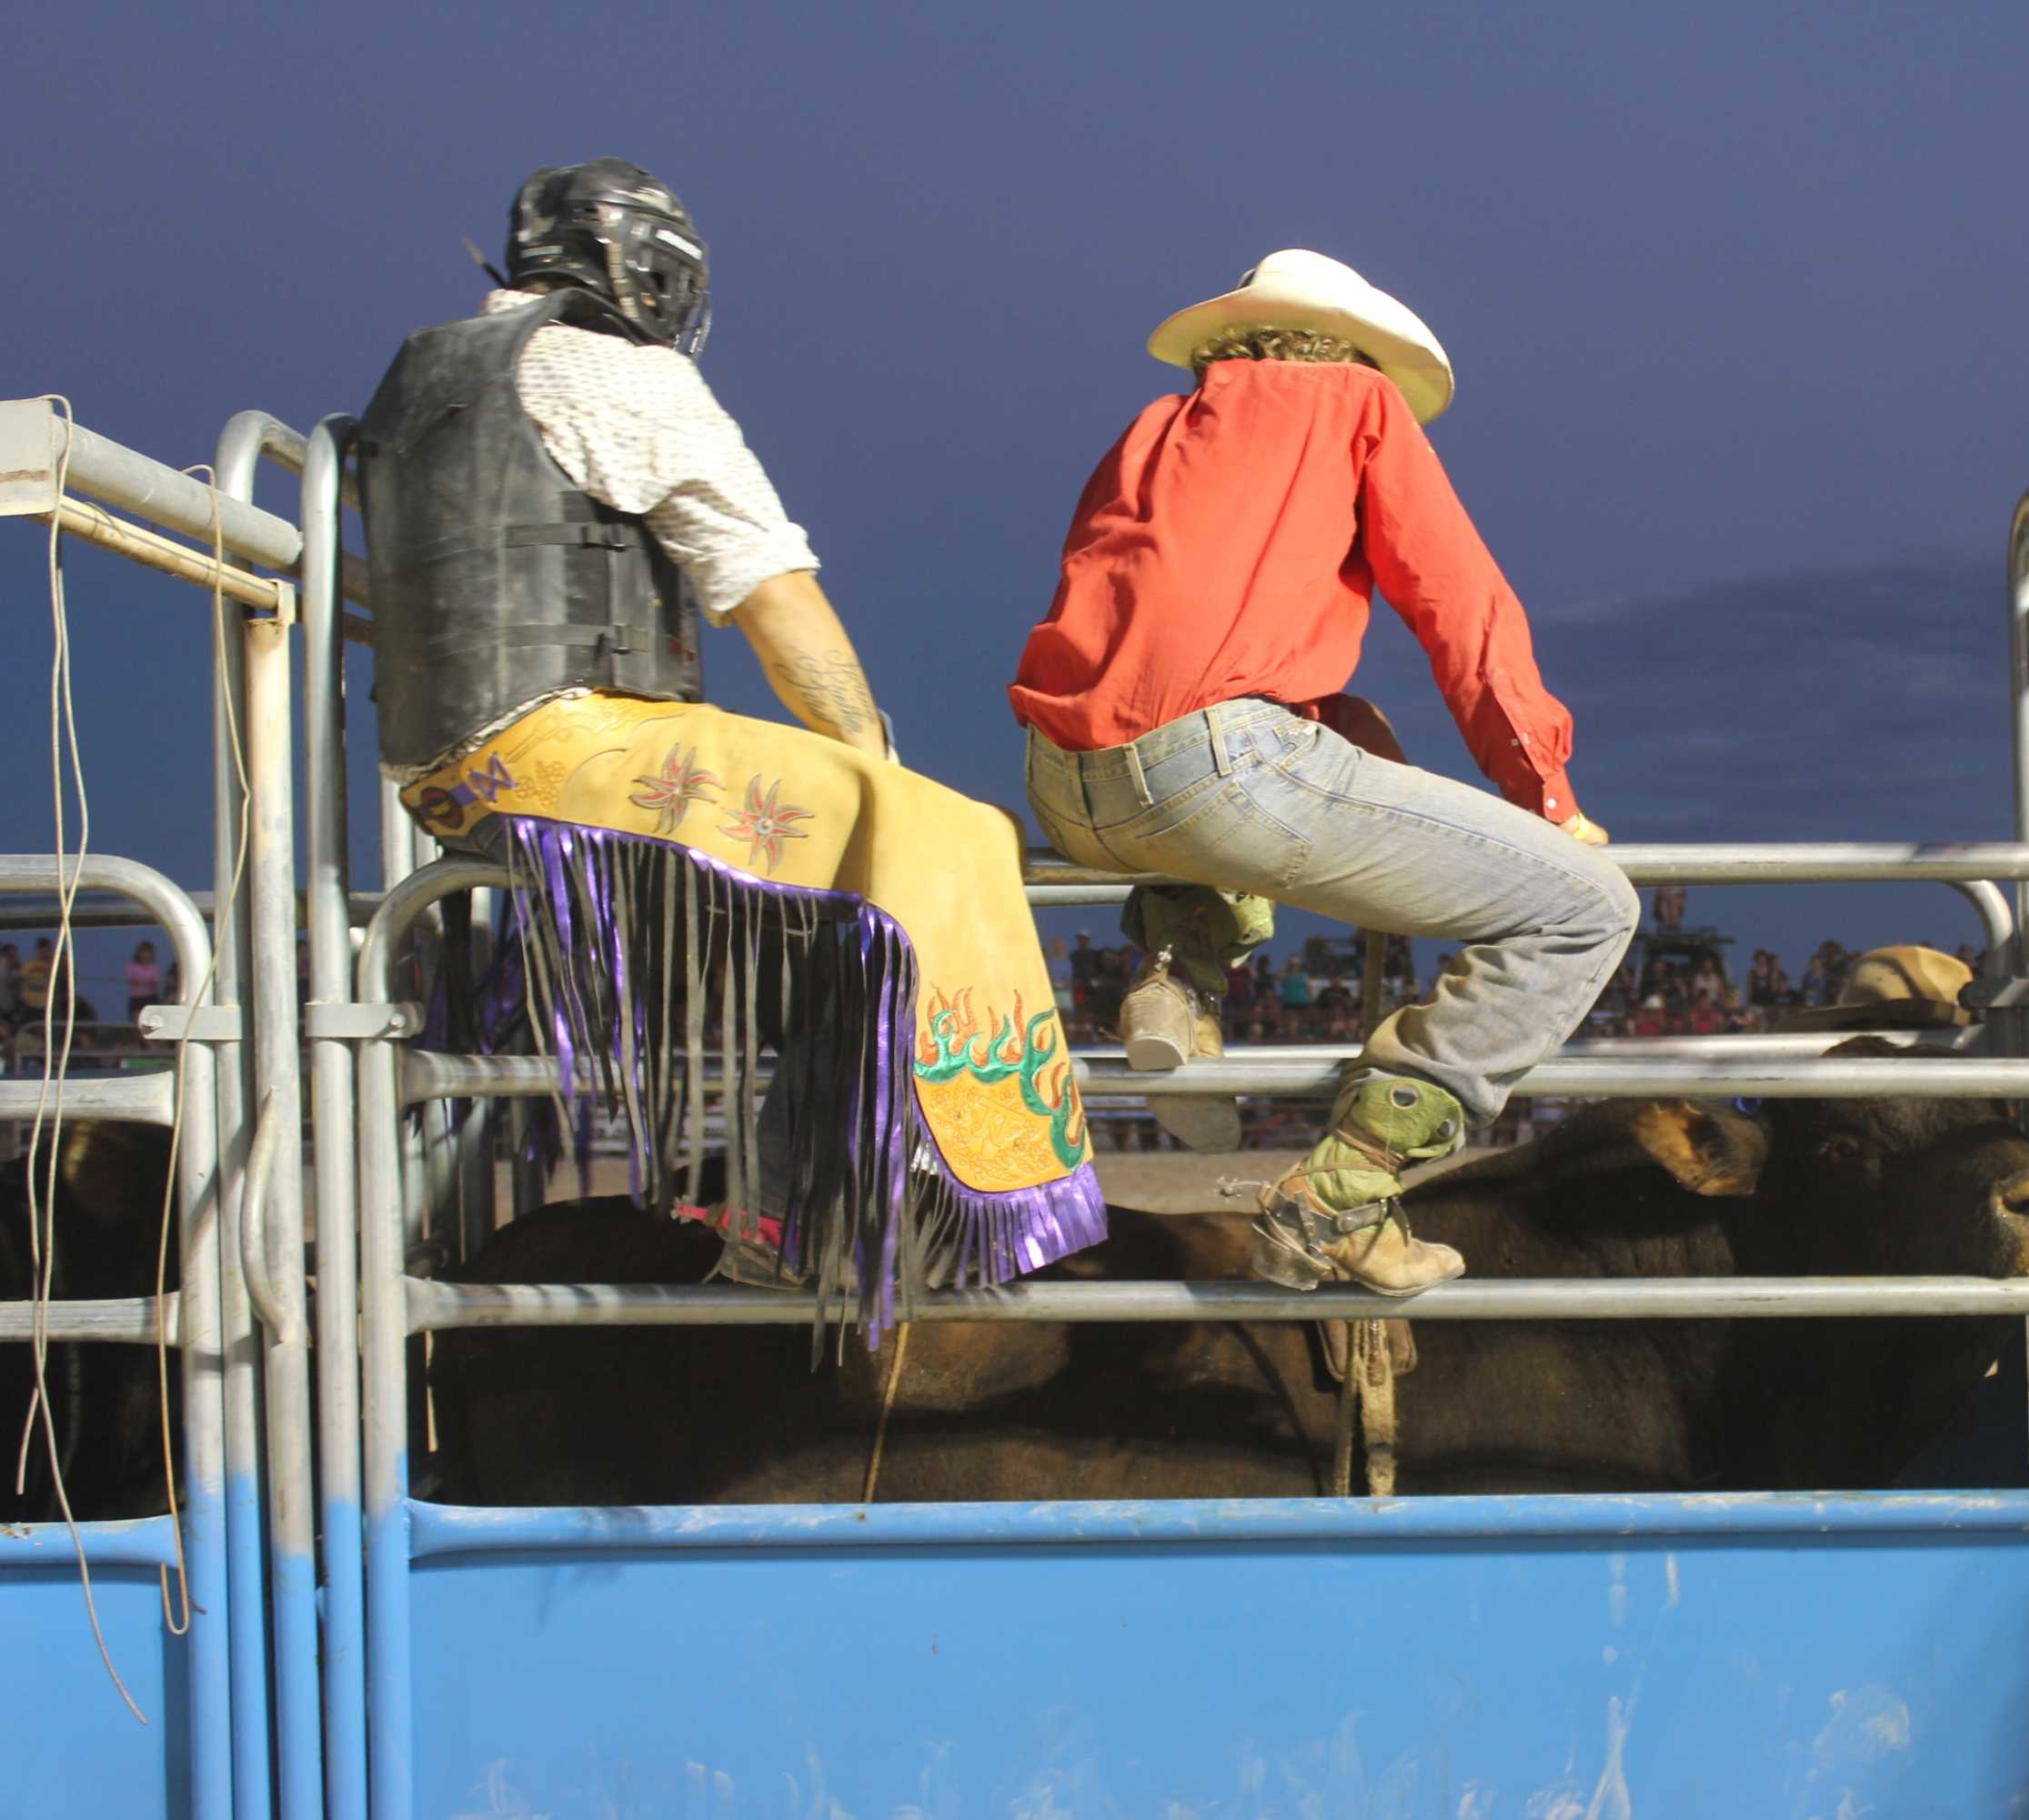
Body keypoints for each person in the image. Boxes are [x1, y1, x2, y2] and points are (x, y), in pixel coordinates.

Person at [359, 159, 1100, 1312]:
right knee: (937, 831)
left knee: (839, 884)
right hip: (565, 743)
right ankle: (946, 1191)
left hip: (440, 767)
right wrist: (872, 763)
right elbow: (769, 590)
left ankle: (796, 1186)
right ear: (643, 270)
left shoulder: (423, 374)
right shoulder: (616, 372)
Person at [1010, 249, 1635, 1295]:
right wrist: (1545, 793)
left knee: (1324, 732)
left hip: (1066, 777)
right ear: (1358, 350)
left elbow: (1124, 610)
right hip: (1212, 770)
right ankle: (1340, 1199)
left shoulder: (1156, 426)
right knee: (1588, 912)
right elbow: (1460, 604)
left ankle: (1177, 979)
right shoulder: (1356, 404)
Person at [126, 941, 162, 1020]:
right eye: (144, 952)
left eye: (148, 952)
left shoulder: (154, 967)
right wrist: (144, 982)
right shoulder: (132, 967)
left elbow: (155, 982)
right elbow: (131, 980)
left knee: (151, 1020)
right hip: (137, 999)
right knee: (137, 1021)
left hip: (150, 999)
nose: (146, 954)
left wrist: (144, 982)